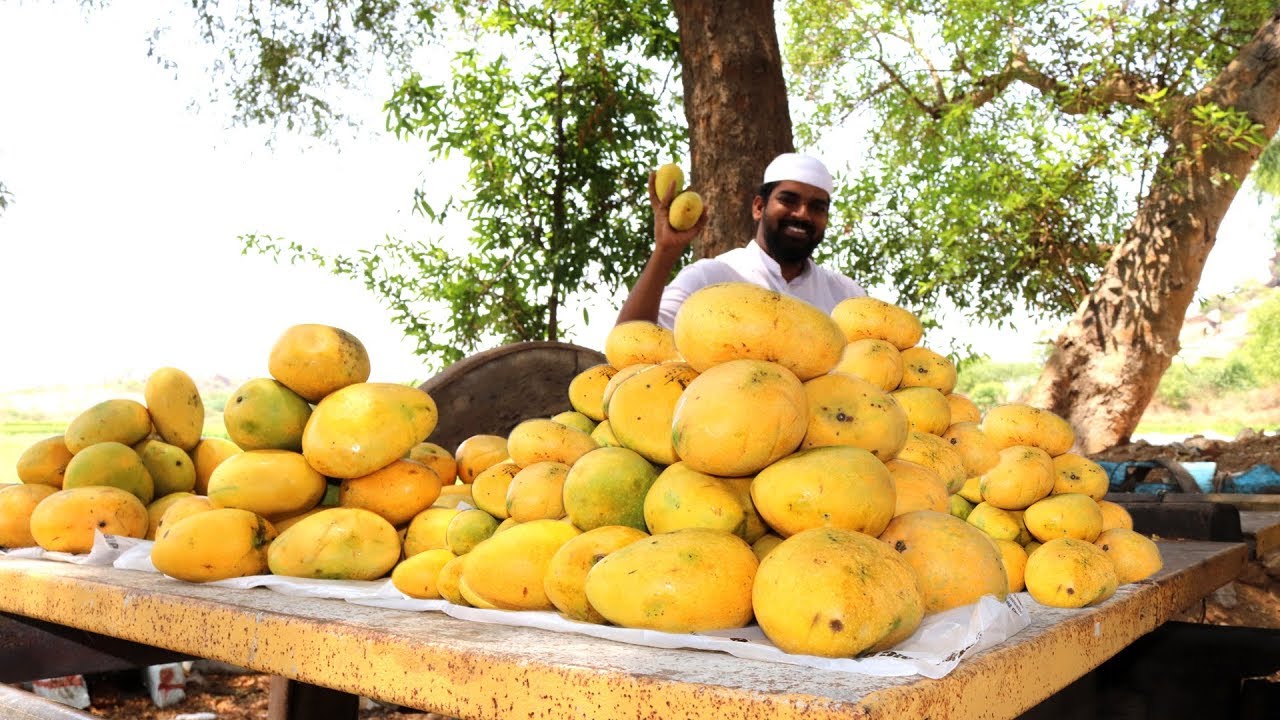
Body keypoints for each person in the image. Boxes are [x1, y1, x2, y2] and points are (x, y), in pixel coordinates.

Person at [615, 152, 866, 328]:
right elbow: (631, 341)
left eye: (817, 207)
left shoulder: (847, 296)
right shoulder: (711, 278)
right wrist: (665, 251)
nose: (803, 214)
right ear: (759, 207)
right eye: (788, 200)